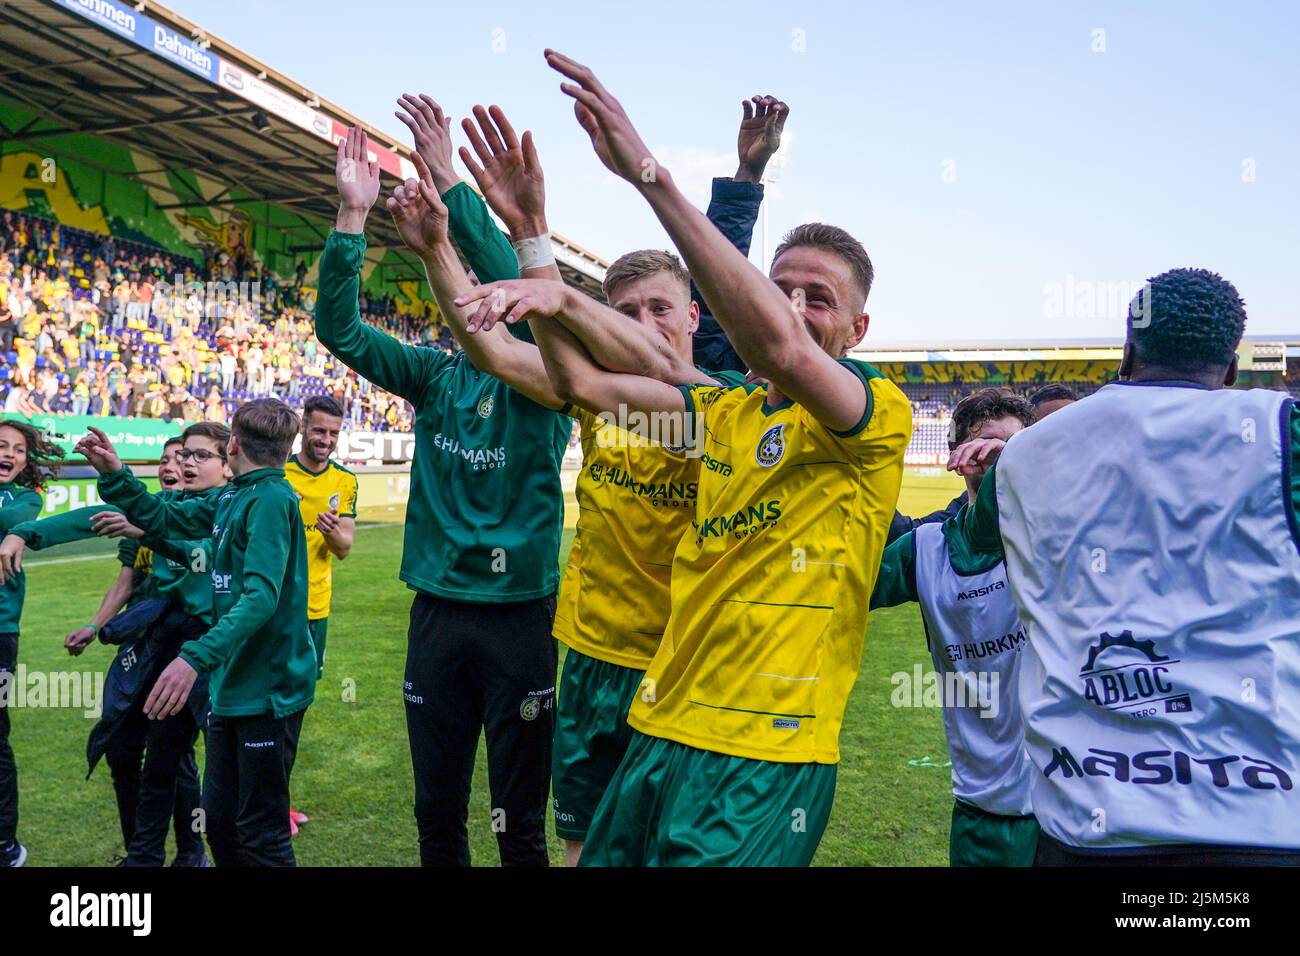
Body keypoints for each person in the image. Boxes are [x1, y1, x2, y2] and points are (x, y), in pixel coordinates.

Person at [458, 51, 912, 864]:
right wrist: (534, 248)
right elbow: (588, 382)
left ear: (859, 331)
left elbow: (772, 342)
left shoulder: (870, 417)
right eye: (783, 290)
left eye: (821, 299)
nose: (796, 311)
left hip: (764, 751)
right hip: (661, 720)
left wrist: (648, 173)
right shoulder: (719, 413)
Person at [392, 94, 782, 865]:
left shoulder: (733, 404)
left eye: (661, 308)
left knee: (674, 846)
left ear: (697, 316)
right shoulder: (593, 390)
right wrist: (438, 245)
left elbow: (717, 280)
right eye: (625, 309)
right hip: (595, 655)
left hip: (690, 661)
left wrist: (744, 176)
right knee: (582, 847)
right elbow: (500, 353)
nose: (643, 323)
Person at [947, 268, 1300, 865]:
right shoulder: (1280, 432)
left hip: (1086, 822)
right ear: (1232, 369)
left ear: (1127, 351)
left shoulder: (1028, 452)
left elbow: (974, 542)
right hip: (1261, 819)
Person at [317, 123, 569, 867]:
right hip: (437, 614)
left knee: (517, 821)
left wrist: (450, 180)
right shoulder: (431, 376)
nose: (475, 305)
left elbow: (531, 291)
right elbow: (339, 329)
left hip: (521, 618)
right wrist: (352, 218)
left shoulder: (551, 381)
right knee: (436, 813)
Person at [78, 400, 315, 867]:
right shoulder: (234, 495)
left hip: (266, 689)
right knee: (222, 823)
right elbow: (165, 517)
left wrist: (193, 656)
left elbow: (261, 598)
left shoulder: (270, 498)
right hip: (232, 684)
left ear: (234, 444)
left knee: (262, 835)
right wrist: (115, 473)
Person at [3, 426, 234, 866]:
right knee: (148, 752)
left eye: (198, 456)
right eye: (180, 455)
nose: (182, 464)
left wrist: (146, 530)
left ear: (229, 463)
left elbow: (204, 557)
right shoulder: (167, 505)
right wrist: (27, 534)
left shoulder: (233, 507)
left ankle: (189, 851)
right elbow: (90, 518)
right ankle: (150, 855)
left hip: (210, 645)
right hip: (162, 639)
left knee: (191, 760)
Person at [871, 388, 1040, 866]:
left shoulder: (1060, 538)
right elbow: (837, 588)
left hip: (1069, 802)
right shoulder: (927, 549)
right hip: (980, 804)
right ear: (960, 460)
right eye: (987, 448)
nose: (1001, 461)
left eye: (1014, 448)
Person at [282, 394, 358, 834]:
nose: (325, 440)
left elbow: (345, 550)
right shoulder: (279, 472)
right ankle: (268, 803)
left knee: (295, 712)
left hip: (316, 611)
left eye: (332, 432)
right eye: (318, 431)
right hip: (276, 610)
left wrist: (332, 535)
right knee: (273, 710)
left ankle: (278, 799)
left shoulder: (345, 482)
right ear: (302, 428)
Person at [0, 421, 65, 867]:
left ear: (26, 461)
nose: (9, 453)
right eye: (1, 445)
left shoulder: (26, 499)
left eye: (18, 449)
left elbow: (10, 522)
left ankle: (5, 843)